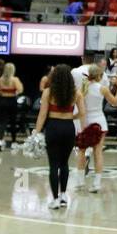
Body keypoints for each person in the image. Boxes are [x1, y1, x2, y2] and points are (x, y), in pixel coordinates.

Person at [33, 64, 79, 209]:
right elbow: (83, 112)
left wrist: (36, 131)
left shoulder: (48, 92)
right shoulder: (76, 93)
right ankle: (64, 195)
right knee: (64, 163)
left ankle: (55, 199)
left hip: (53, 128)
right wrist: (70, 115)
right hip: (69, 127)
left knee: (53, 165)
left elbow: (42, 114)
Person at [76, 65, 117, 193]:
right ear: (100, 76)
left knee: (81, 151)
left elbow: (79, 107)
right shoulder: (103, 89)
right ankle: (96, 184)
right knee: (98, 152)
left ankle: (80, 182)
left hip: (84, 121)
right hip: (99, 122)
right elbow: (115, 102)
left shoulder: (82, 88)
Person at [0, 62, 23, 149]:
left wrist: (3, 92)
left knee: (2, 122)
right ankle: (13, 142)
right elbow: (20, 90)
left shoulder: (1, 80)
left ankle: (0, 141)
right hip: (12, 101)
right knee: (13, 122)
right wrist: (14, 92)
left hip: (3, 101)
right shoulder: (15, 79)